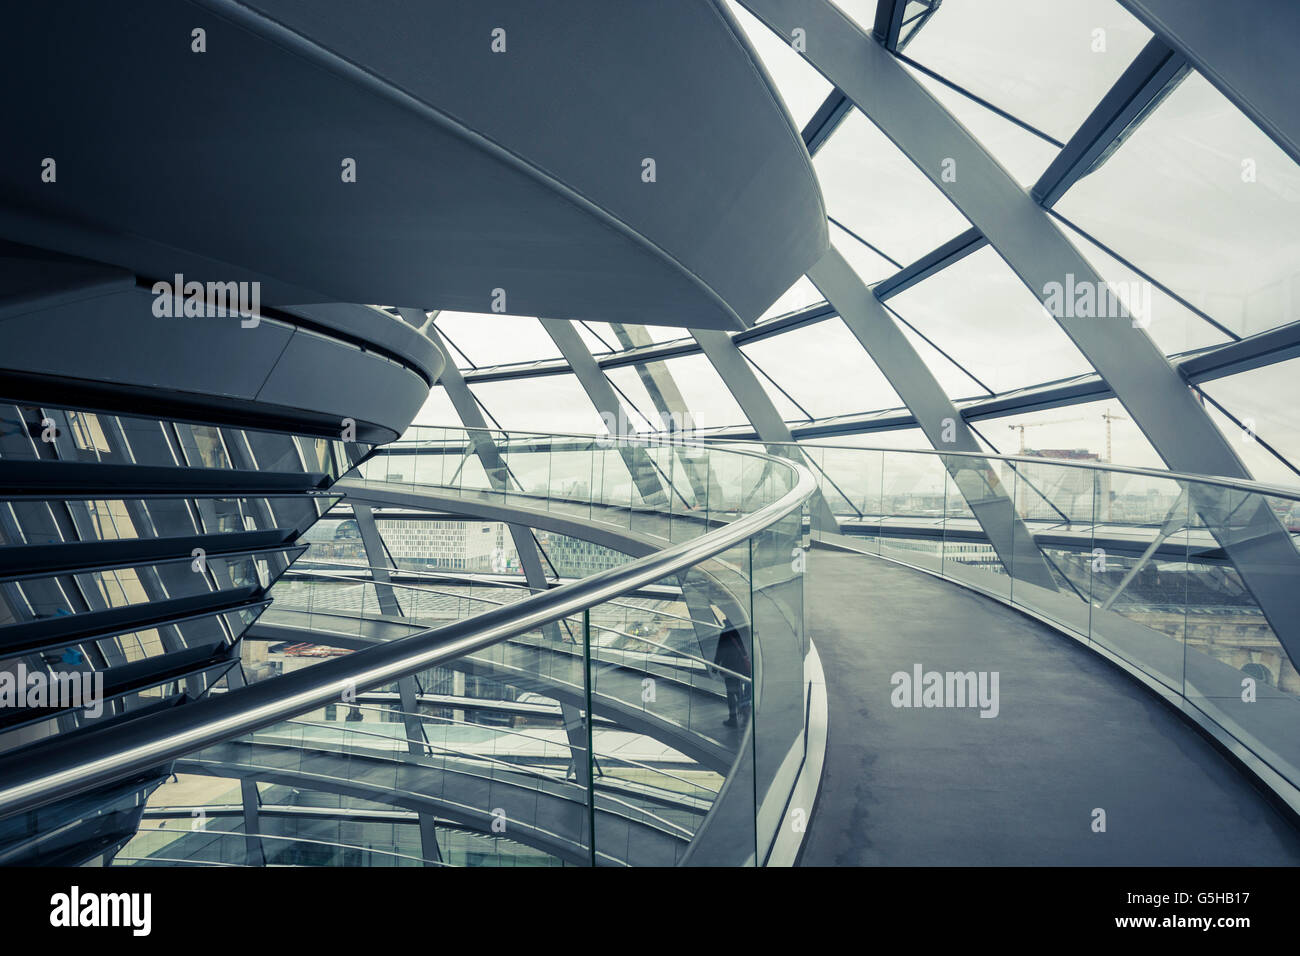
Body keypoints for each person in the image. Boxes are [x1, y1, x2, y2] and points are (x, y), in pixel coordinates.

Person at [713, 626, 751, 728]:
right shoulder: (740, 629)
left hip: (729, 668)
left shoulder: (726, 631)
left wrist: (715, 666)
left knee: (731, 693)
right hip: (741, 667)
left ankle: (733, 719)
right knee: (739, 693)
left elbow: (720, 650)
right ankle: (746, 716)